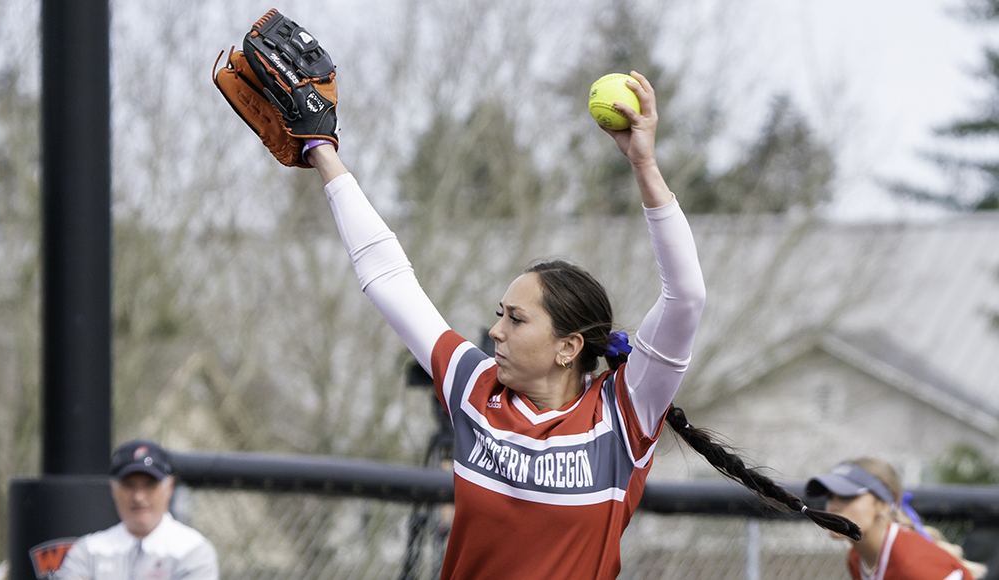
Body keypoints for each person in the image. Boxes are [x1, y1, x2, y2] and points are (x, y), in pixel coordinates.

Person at [297, 70, 857, 579]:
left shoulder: (622, 412)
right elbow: (390, 278)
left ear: (568, 347)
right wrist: (323, 150)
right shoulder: (475, 388)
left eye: (516, 319)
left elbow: (686, 296)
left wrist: (645, 167)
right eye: (500, 315)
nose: (496, 332)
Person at [55, 440, 219, 580]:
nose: (138, 497)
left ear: (169, 487)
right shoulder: (88, 550)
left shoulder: (192, 550)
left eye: (149, 485)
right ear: (113, 489)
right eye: (129, 485)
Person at [807, 456, 985, 580]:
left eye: (847, 496)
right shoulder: (857, 557)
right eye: (830, 497)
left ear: (883, 504)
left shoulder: (915, 565)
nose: (833, 506)